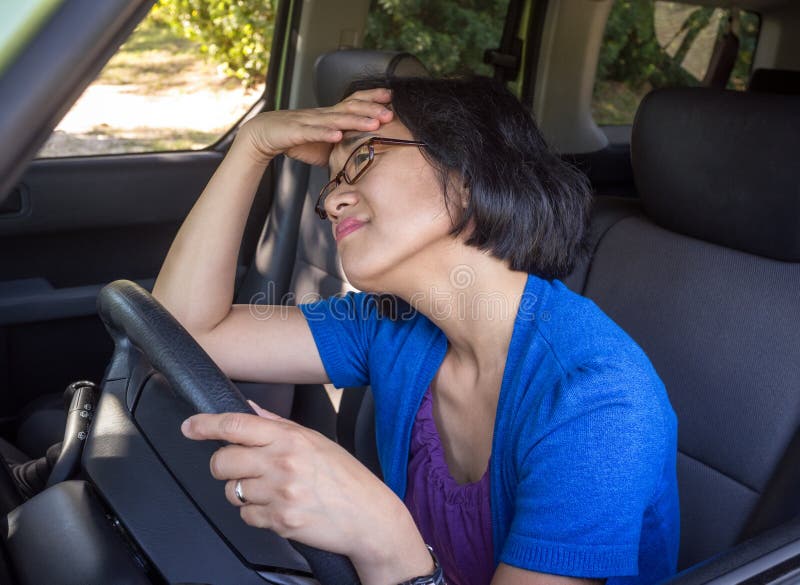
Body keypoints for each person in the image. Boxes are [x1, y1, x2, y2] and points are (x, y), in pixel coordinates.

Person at [153, 76, 679, 585]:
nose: (332, 202)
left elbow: (389, 548)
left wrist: (381, 537)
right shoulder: (393, 325)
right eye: (331, 184)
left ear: (470, 166)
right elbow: (184, 332)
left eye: (362, 158)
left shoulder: (596, 399)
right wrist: (253, 145)